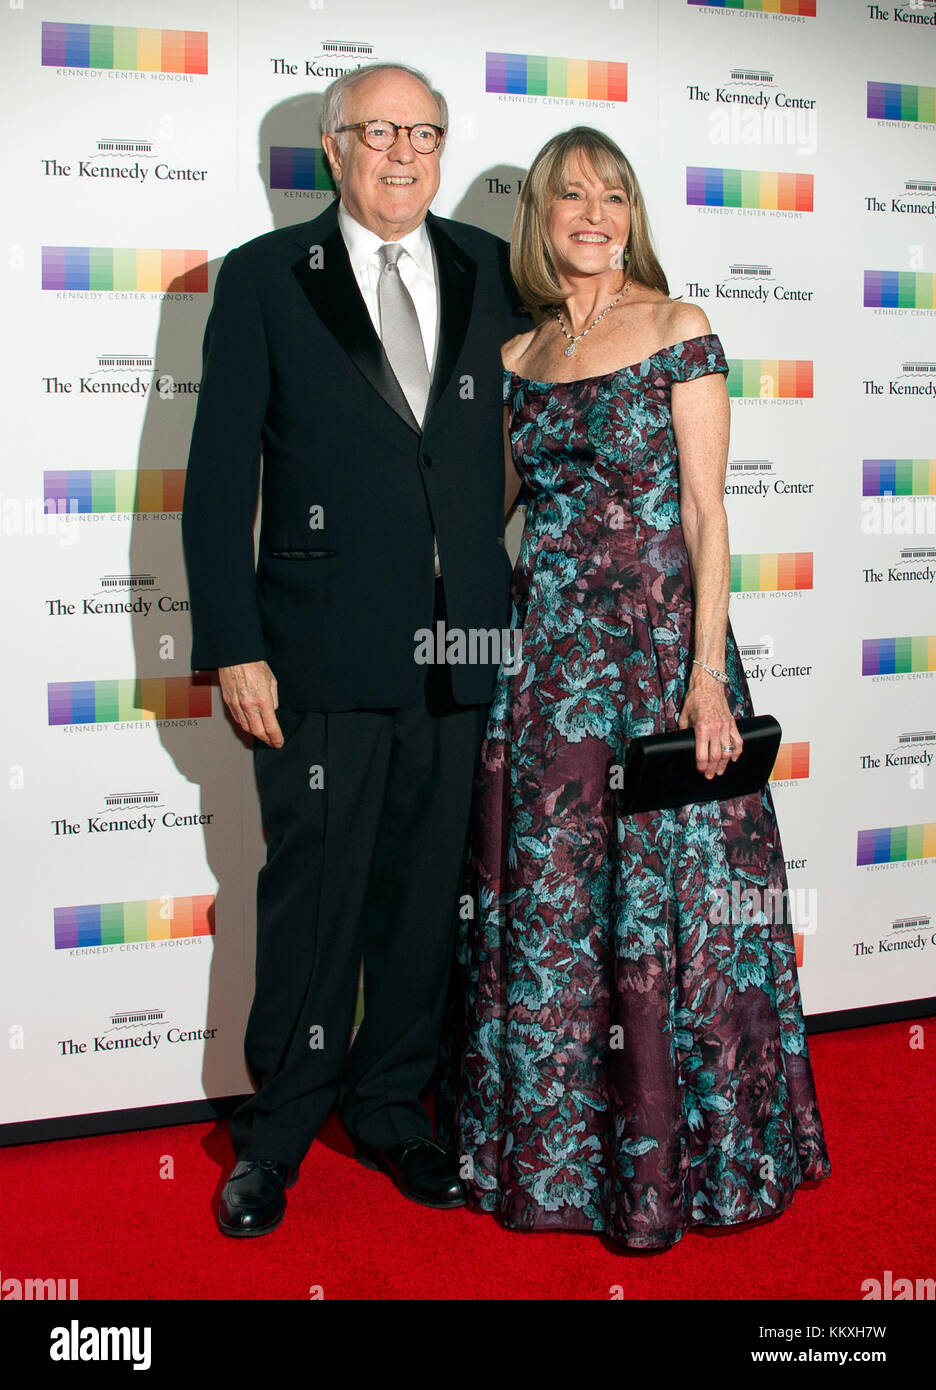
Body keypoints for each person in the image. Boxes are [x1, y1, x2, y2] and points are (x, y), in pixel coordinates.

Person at [438, 127, 831, 1251]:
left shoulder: (679, 328)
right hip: (547, 664)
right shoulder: (516, 359)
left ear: (634, 215)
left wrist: (708, 681)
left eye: (614, 194)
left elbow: (708, 515)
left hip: (662, 656)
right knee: (556, 910)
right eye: (571, 195)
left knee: (678, 907)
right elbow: (485, 512)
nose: (594, 213)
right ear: (541, 219)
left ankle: (689, 1163)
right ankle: (561, 1161)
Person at [182, 63, 530, 1237]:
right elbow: (221, 477)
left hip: (463, 642)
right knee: (313, 900)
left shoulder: (491, 267)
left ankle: (394, 1108)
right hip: (315, 647)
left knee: (427, 899)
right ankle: (275, 1131)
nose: (403, 152)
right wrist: (232, 642)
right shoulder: (269, 278)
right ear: (332, 148)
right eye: (378, 131)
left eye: (424, 132)